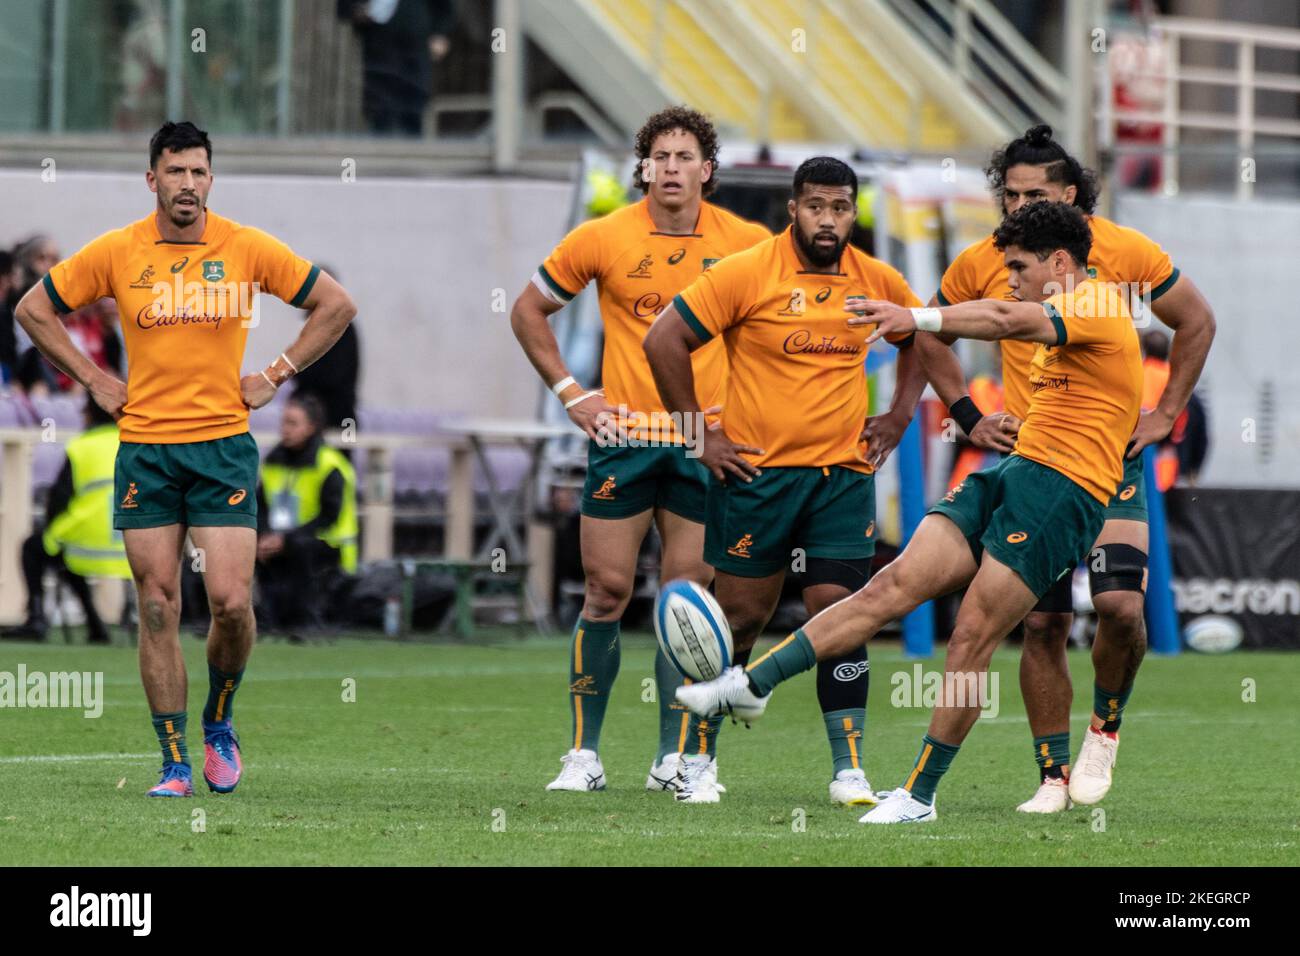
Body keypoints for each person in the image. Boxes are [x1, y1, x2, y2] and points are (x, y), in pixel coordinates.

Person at [678, 201, 1143, 825]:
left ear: (1060, 263)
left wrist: (914, 314)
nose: (1009, 278)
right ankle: (750, 686)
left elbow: (1006, 317)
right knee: (888, 587)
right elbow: (1045, 361)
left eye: (1019, 266)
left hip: (1064, 494)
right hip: (1015, 471)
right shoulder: (1062, 313)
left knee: (973, 634)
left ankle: (919, 795)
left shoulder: (1098, 304)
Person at [14, 121, 356, 798]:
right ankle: (173, 761)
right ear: (153, 180)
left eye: (200, 173)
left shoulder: (247, 248)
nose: (189, 185)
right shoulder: (117, 252)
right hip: (145, 448)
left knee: (230, 603)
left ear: (211, 180)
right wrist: (94, 378)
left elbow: (335, 305)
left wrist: (276, 373)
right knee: (159, 605)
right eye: (176, 172)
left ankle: (219, 721)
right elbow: (33, 309)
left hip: (223, 447)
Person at [913, 125, 1215, 812]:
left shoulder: (1126, 252)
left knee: (1119, 607)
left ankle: (1104, 728)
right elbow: (928, 330)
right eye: (1009, 194)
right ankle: (1051, 776)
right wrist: (967, 415)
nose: (1017, 207)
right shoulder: (988, 258)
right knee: (1042, 626)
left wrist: (1165, 413)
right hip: (1034, 462)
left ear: (1070, 195)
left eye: (1034, 194)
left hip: (1111, 456)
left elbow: (1196, 320)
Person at [644, 156, 927, 805]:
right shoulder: (748, 271)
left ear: (854, 212)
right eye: (815, 207)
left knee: (843, 614)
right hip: (756, 474)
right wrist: (699, 435)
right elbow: (664, 340)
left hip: (841, 476)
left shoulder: (878, 279)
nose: (828, 220)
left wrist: (900, 415)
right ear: (793, 209)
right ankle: (699, 762)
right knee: (739, 618)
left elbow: (925, 338)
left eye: (840, 208)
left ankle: (848, 769)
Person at [509, 106, 769, 794]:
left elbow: (775, 325)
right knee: (607, 591)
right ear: (644, 167)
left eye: (687, 156)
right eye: (661, 156)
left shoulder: (747, 243)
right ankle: (583, 757)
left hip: (700, 442)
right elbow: (526, 309)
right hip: (623, 440)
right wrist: (572, 394)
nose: (673, 168)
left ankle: (673, 758)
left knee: (683, 602)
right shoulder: (603, 237)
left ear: (708, 170)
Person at [0, 397, 126, 644]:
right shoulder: (133, 444)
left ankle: (36, 618)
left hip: (87, 546)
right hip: (131, 545)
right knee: (63, 552)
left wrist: (50, 529)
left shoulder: (82, 446)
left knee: (38, 547)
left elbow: (58, 499)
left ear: (89, 413)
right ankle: (99, 623)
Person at [256, 393, 359, 630]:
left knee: (301, 548)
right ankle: (263, 618)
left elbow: (329, 518)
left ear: (311, 427)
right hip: (282, 539)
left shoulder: (331, 465)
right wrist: (264, 535)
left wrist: (285, 540)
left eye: (293, 423)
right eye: (284, 422)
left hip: (327, 544)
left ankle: (305, 620)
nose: (285, 429)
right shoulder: (273, 462)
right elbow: (261, 506)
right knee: (247, 543)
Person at [338, 0, 456, 137]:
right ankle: (380, 143)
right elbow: (347, 7)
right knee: (380, 106)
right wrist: (355, 10)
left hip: (415, 40)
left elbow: (445, 6)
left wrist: (440, 32)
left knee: (413, 103)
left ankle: (412, 144)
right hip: (378, 41)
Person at [290, 265, 360, 437]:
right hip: (312, 415)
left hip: (338, 417)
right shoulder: (308, 327)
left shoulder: (344, 328)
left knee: (341, 456)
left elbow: (333, 375)